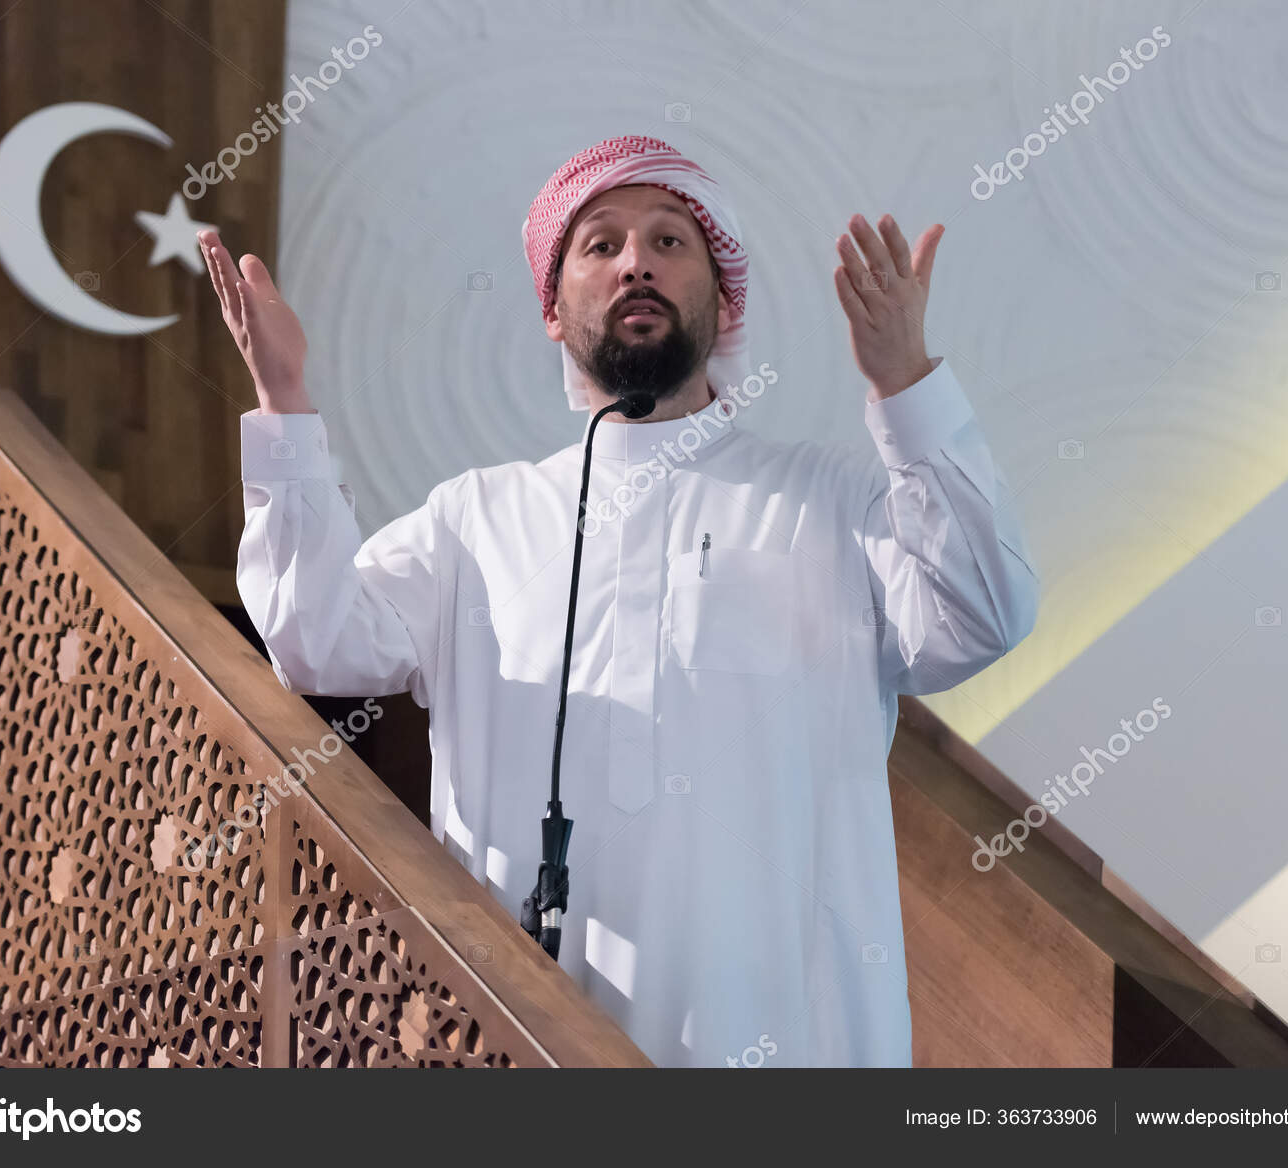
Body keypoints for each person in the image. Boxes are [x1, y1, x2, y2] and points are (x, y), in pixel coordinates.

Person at [201, 134, 1039, 1067]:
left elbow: (983, 615)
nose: (635, 259)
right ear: (554, 311)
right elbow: (315, 642)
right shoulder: (479, 520)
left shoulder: (830, 502)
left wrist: (907, 386)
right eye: (599, 245)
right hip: (524, 1047)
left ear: (723, 300)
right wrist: (285, 405)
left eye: (669, 241)